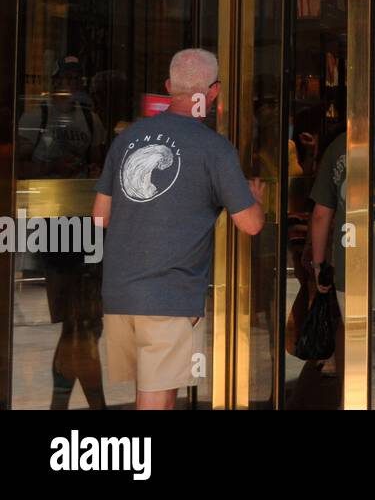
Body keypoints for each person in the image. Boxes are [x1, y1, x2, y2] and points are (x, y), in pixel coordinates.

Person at [91, 48, 265, 410]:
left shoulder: (127, 139)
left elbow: (100, 217)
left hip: (120, 293)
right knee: (155, 400)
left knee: (158, 394)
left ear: (170, 86)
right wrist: (255, 197)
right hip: (168, 296)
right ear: (213, 92)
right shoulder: (214, 149)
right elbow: (250, 224)